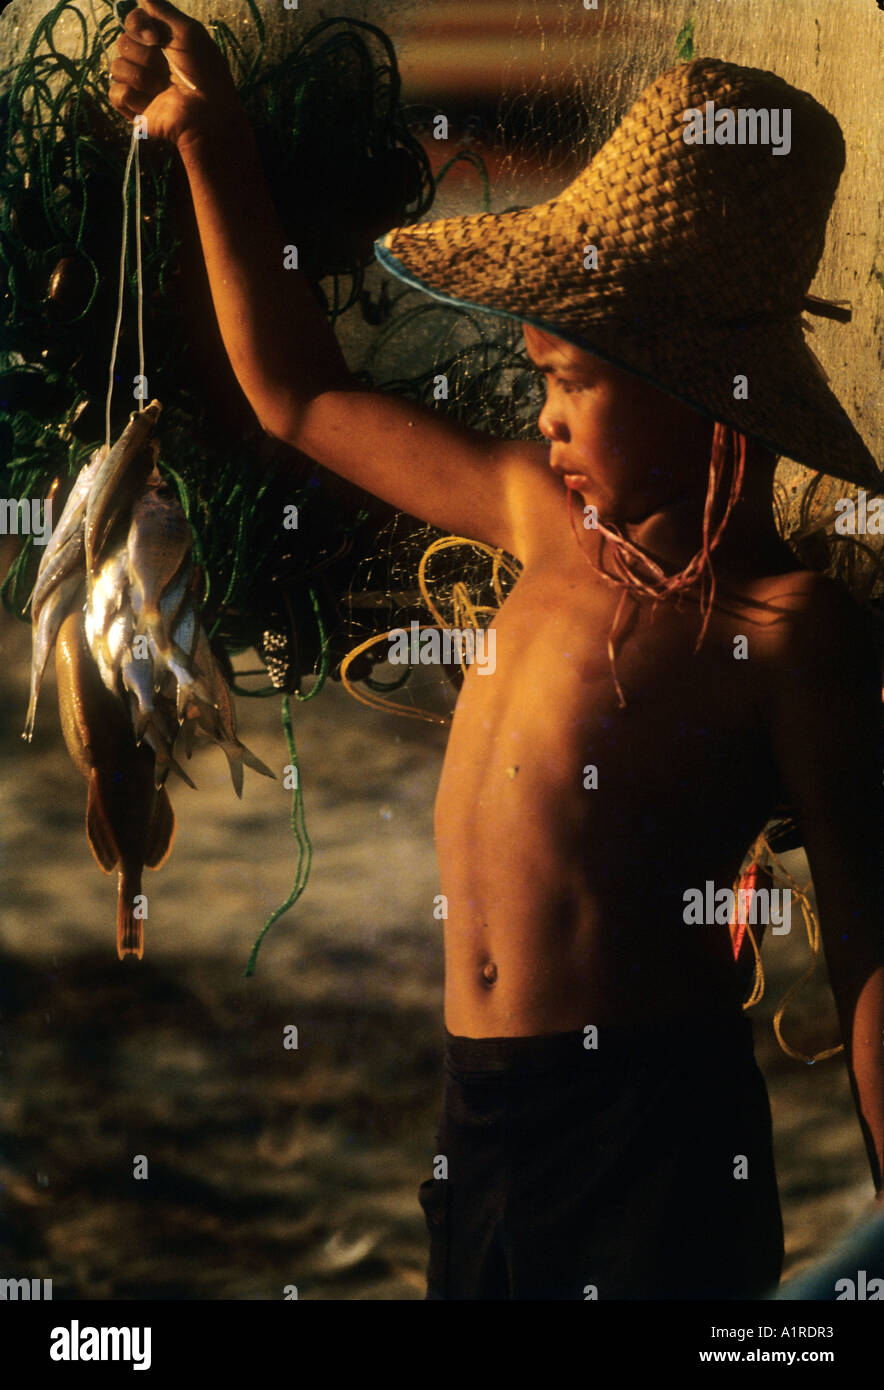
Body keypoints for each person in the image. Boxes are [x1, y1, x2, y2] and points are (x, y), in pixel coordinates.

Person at [109, 1, 884, 1299]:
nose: (545, 413)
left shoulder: (786, 633)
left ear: (705, 392)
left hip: (651, 1138)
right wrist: (209, 140)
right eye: (539, 373)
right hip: (481, 1119)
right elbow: (298, 393)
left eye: (572, 380)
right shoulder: (535, 510)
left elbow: (869, 957)